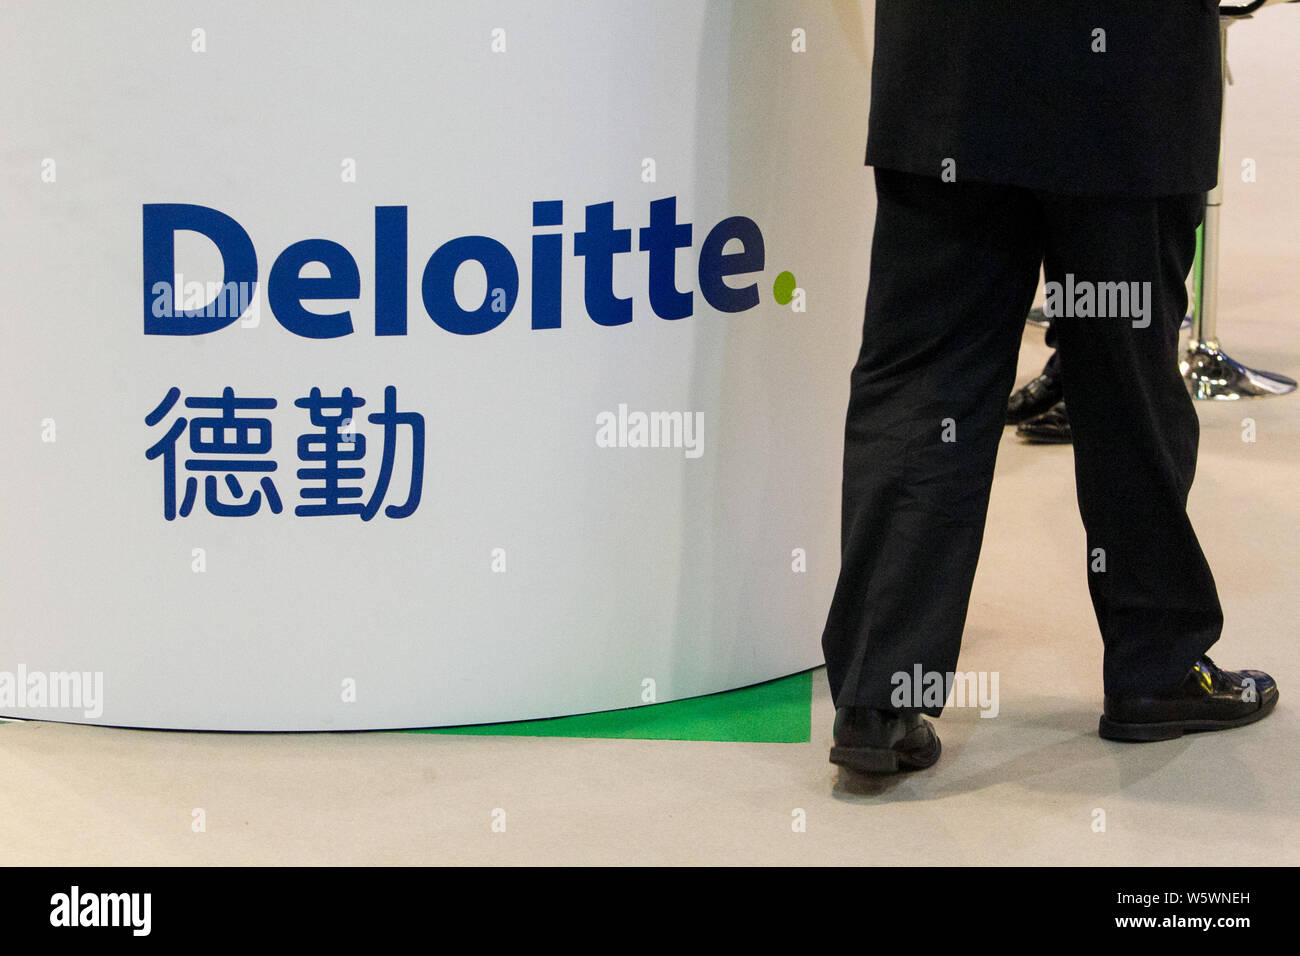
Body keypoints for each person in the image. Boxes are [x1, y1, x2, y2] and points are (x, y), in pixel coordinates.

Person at [820, 0, 1278, 775]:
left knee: (923, 380)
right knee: (1128, 384)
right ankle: (1155, 667)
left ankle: (879, 690)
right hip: (1128, 79)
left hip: (950, 69)